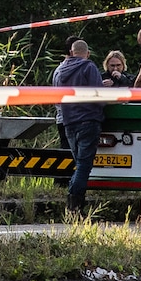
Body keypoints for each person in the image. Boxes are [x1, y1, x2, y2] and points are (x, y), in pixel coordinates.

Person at [52, 37, 105, 213]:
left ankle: (73, 203)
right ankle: (74, 203)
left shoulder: (59, 70)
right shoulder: (89, 67)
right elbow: (99, 95)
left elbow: (56, 99)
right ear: (87, 53)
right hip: (88, 120)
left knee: (79, 163)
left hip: (68, 122)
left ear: (71, 52)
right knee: (83, 164)